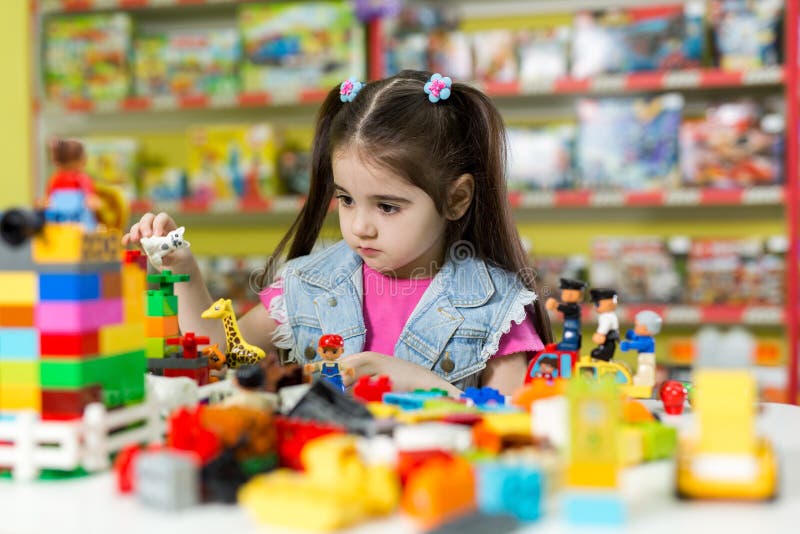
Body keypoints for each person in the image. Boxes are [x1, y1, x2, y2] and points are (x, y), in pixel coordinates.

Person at [123, 70, 552, 395]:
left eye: (387, 206)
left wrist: (431, 389)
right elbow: (221, 350)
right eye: (346, 199)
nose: (359, 226)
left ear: (456, 199)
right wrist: (183, 269)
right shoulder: (311, 284)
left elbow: (514, 425)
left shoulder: (495, 307)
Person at [545, 278, 586, 351]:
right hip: (569, 325)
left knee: (570, 334)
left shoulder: (575, 307)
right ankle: (567, 343)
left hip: (572, 325)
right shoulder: (573, 306)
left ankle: (570, 345)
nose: (564, 294)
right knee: (567, 334)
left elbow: (568, 309)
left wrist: (556, 305)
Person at [589, 288, 619, 362]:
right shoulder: (611, 315)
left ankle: (605, 362)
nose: (595, 307)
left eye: (597, 304)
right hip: (609, 341)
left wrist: (599, 334)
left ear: (609, 304)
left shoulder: (606, 316)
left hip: (608, 340)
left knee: (596, 353)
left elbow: (604, 327)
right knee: (602, 351)